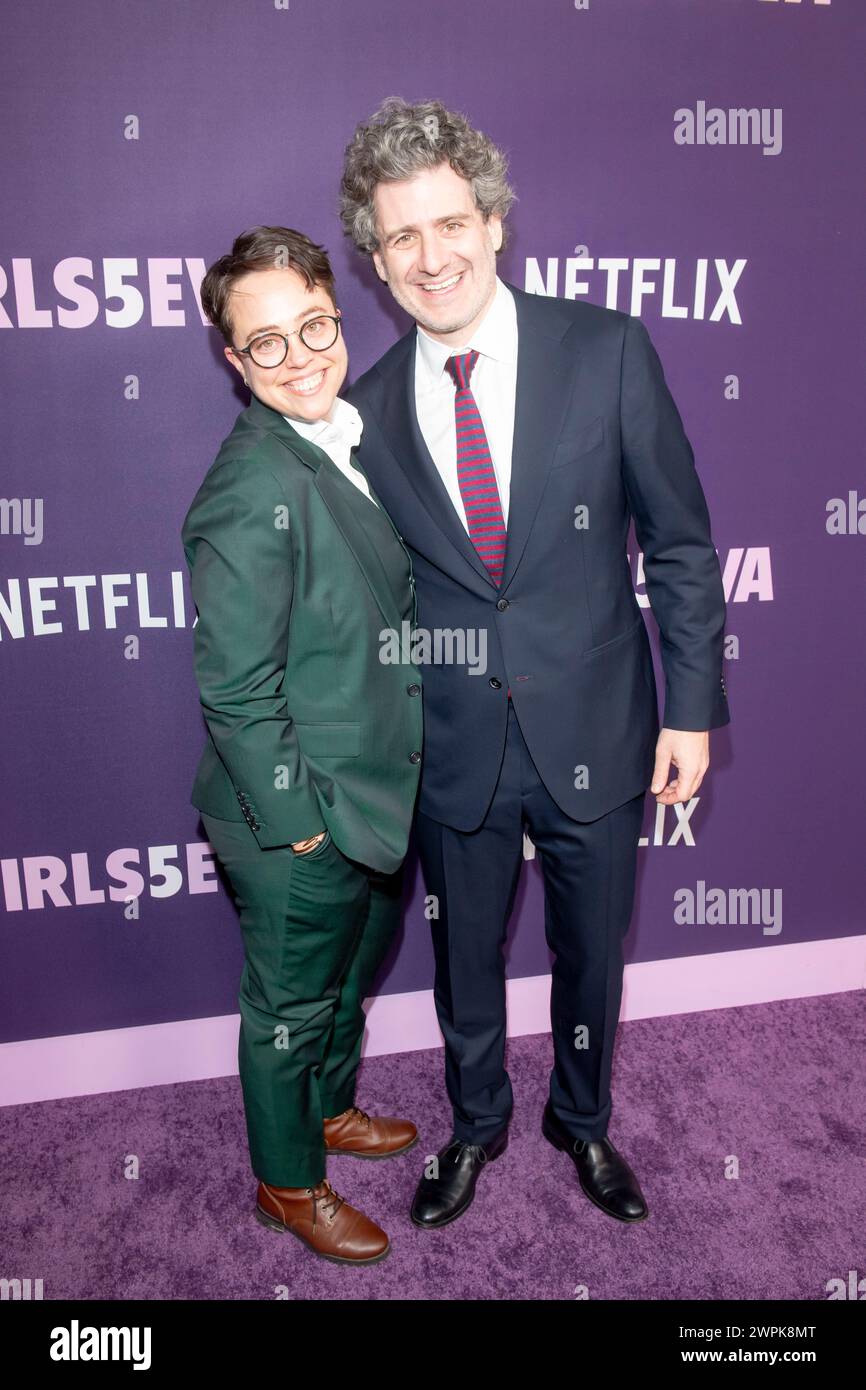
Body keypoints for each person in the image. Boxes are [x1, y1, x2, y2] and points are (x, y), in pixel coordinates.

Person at [340, 99, 730, 1230]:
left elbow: (681, 544)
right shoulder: (362, 416)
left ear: (496, 221)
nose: (431, 256)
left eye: (451, 223)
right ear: (374, 259)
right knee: (462, 963)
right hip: (453, 746)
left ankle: (580, 1114)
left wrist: (690, 707)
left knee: (587, 953)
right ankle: (473, 1122)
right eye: (401, 236)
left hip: (600, 724)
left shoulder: (605, 348)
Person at [181, 226, 423, 1263]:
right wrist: (303, 833)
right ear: (233, 363)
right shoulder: (250, 488)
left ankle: (327, 1110)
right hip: (293, 815)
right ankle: (287, 1183)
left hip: (366, 790)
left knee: (345, 979)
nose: (300, 357)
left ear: (337, 312)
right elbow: (234, 690)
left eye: (312, 326)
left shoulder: (337, 439)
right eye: (265, 343)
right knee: (288, 1006)